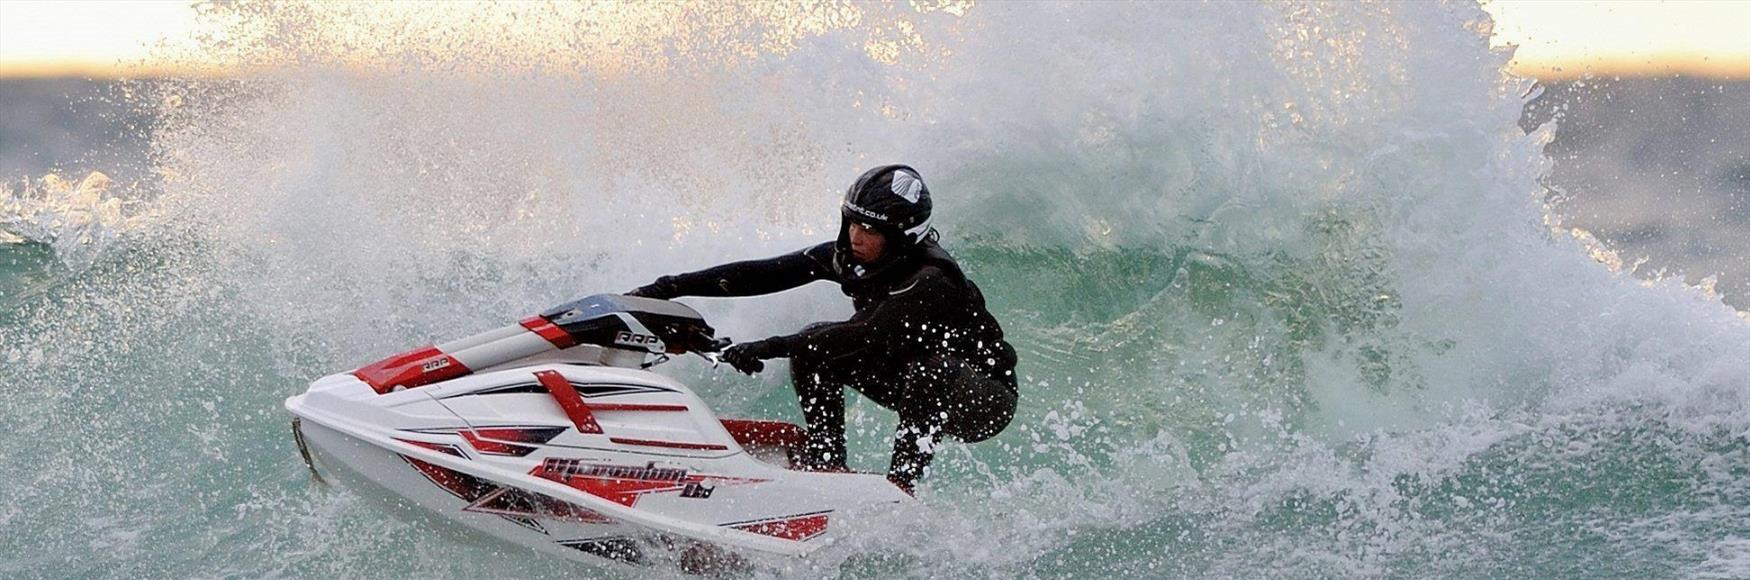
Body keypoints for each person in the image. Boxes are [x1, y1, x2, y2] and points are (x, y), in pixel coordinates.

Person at [627, 165, 1018, 492]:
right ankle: (825, 461)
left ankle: (901, 490)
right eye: (852, 222)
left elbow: (867, 335)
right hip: (909, 374)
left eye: (870, 229)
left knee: (914, 366)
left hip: (981, 398)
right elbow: (760, 274)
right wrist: (670, 286)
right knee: (813, 347)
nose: (855, 236)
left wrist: (770, 345)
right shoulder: (853, 258)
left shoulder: (932, 278)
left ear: (902, 236)